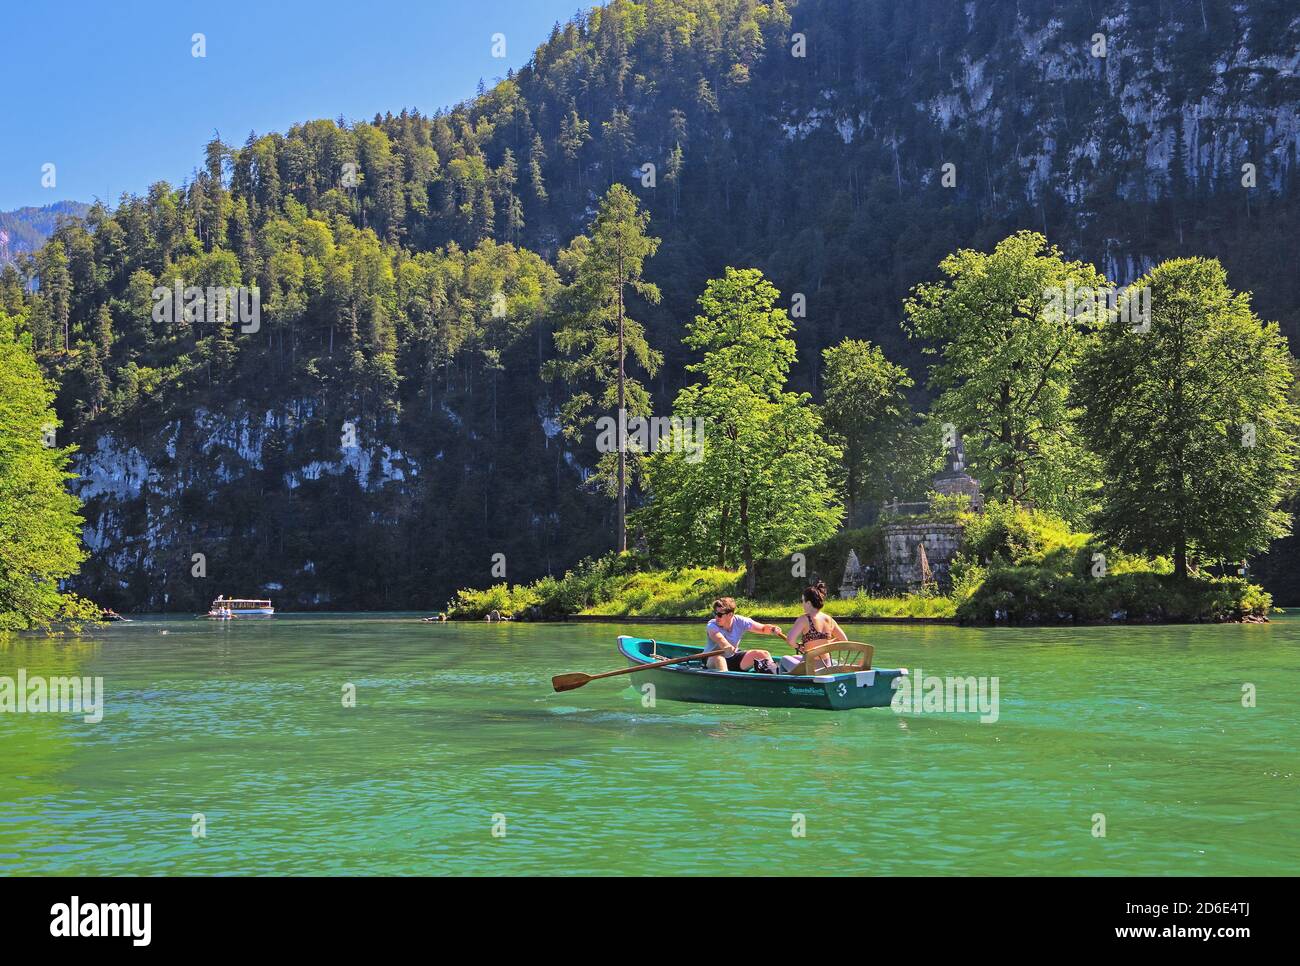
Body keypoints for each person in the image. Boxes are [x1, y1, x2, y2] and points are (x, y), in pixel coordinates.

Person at [781, 580, 847, 674]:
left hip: (810, 668)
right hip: (827, 665)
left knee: (784, 659)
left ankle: (786, 686)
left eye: (803, 601)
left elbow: (790, 640)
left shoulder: (804, 619)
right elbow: (844, 639)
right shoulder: (829, 619)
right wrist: (826, 644)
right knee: (795, 657)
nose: (802, 604)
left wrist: (799, 646)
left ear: (808, 603)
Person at [703, 598, 782, 673]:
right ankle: (727, 682)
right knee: (719, 659)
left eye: (719, 614)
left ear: (730, 615)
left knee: (763, 654)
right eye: (715, 613)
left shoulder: (741, 621)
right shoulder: (711, 625)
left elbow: (763, 628)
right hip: (711, 657)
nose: (716, 617)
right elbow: (719, 638)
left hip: (733, 656)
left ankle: (776, 677)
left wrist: (773, 629)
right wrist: (726, 646)